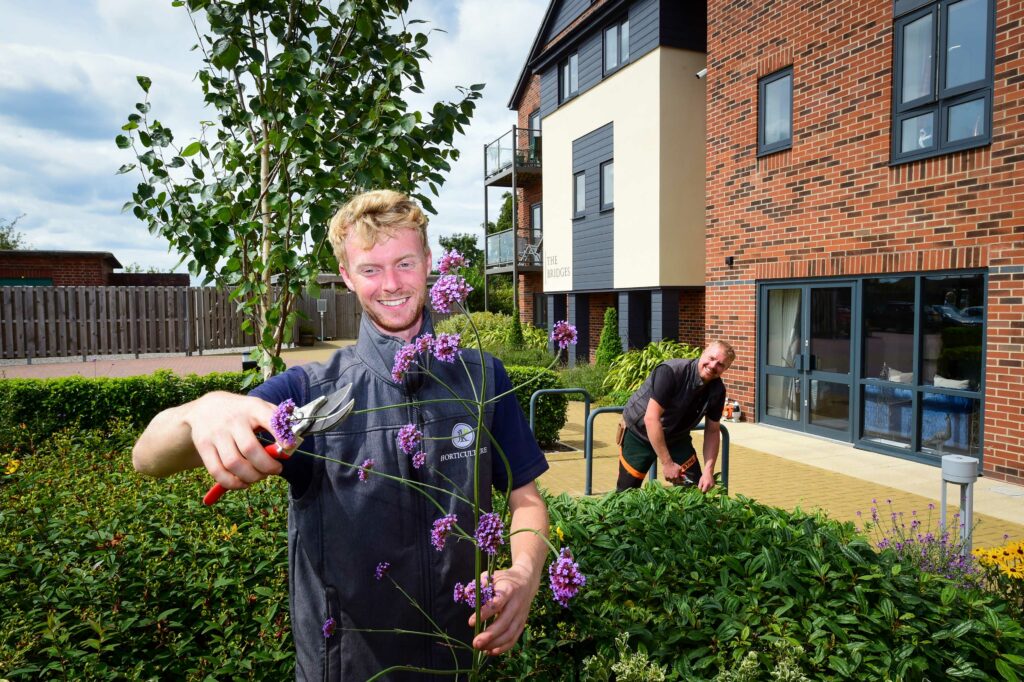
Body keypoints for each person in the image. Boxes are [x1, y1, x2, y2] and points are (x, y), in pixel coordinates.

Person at [132, 189, 550, 680]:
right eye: (370, 269)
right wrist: (202, 411)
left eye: (405, 263)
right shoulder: (311, 392)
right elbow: (148, 457)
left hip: (462, 665)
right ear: (348, 277)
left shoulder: (484, 377)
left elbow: (527, 499)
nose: (391, 284)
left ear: (430, 261)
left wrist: (525, 573)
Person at [616, 341, 735, 493]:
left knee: (694, 491)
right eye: (711, 358)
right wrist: (667, 463)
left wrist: (708, 471)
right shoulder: (671, 371)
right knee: (626, 492)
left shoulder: (717, 390)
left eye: (720, 364)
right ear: (703, 352)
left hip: (676, 438)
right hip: (640, 433)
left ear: (726, 369)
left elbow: (712, 431)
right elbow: (651, 419)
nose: (713, 366)